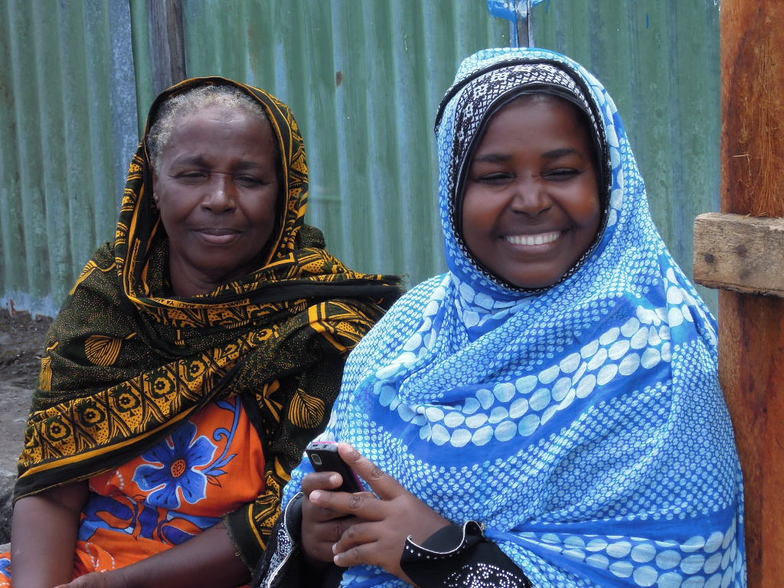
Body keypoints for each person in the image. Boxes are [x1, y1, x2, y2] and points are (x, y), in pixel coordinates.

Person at [255, 48, 746, 587]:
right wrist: (316, 529)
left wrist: (437, 551)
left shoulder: (654, 355)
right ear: (452, 194)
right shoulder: (411, 326)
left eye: (562, 171)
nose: (532, 199)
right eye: (494, 176)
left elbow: (677, 563)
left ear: (607, 184)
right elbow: (329, 491)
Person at [0, 77, 400, 588]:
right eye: (192, 174)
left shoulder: (328, 323)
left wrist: (114, 586)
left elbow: (294, 515)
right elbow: (52, 478)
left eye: (250, 179)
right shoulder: (107, 300)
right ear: (153, 184)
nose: (220, 199)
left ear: (286, 192)